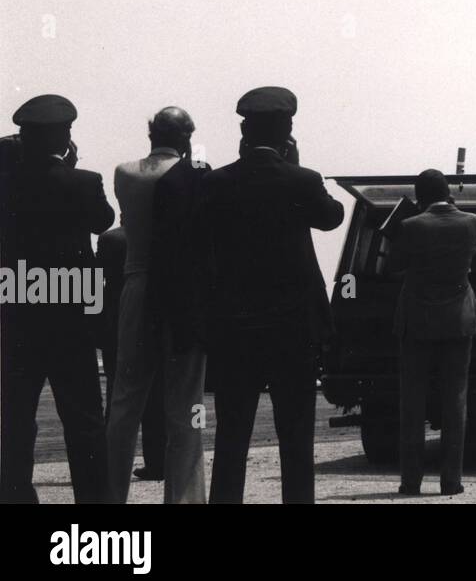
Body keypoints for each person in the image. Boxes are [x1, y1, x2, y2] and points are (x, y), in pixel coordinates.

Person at [197, 87, 344, 504]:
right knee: (295, 433)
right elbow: (332, 217)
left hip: (235, 327)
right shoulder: (303, 180)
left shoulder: (216, 183)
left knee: (232, 434)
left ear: (243, 132)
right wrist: (293, 167)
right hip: (292, 328)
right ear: (288, 132)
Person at [0, 95, 114, 503]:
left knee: (15, 418)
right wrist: (69, 166)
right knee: (83, 418)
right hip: (71, 315)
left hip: (19, 310)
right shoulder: (83, 180)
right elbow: (104, 221)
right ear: (64, 137)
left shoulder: (7, 182)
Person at [106, 107, 207, 504]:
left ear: (151, 133)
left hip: (137, 285)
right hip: (182, 292)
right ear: (186, 137)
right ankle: (184, 498)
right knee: (186, 406)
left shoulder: (124, 173)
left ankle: (110, 495)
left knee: (125, 401)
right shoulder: (194, 175)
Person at [393, 169, 476, 497]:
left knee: (412, 402)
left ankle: (411, 481)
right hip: (459, 318)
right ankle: (451, 481)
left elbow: (393, 264)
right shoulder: (473, 222)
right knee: (455, 400)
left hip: (416, 318)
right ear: (448, 192)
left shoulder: (410, 226)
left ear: (419, 197)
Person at [96, 226, 166, 482]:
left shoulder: (109, 239)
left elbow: (98, 284)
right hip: (155, 322)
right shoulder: (160, 235)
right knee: (157, 396)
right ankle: (158, 461)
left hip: (117, 322)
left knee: (118, 394)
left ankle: (109, 463)